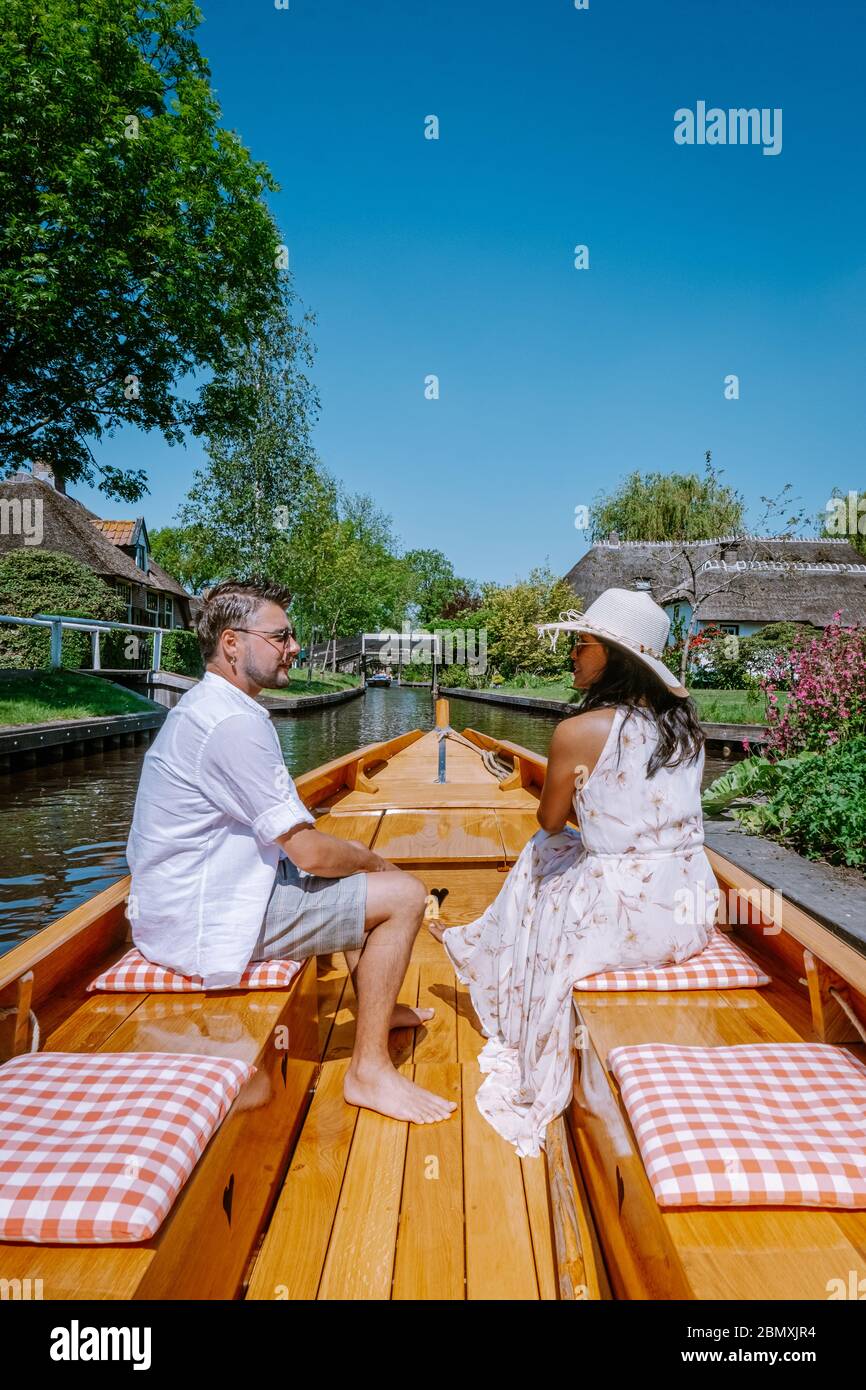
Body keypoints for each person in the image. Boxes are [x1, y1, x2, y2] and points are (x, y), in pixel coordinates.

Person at [126, 579, 456, 1127]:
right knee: (403, 895)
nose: (294, 647)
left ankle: (380, 1005)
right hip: (207, 919)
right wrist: (379, 864)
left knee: (353, 873)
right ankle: (368, 1070)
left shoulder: (214, 707)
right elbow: (308, 853)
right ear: (232, 643)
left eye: (292, 635)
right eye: (280, 637)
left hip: (192, 898)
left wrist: (356, 861)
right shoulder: (231, 722)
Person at [426, 587, 720, 1158]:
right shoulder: (687, 731)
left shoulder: (578, 732)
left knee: (541, 850)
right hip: (691, 909)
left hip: (625, 918)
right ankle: (476, 939)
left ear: (613, 656)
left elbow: (551, 817)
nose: (573, 656)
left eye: (582, 645)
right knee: (560, 858)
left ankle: (478, 945)